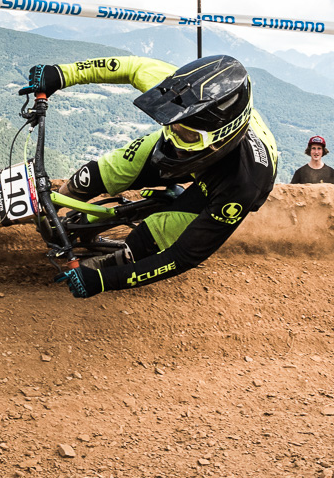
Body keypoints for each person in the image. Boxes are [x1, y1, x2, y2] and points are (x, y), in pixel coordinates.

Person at [23, 54, 278, 298]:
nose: (174, 136)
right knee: (93, 176)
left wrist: (102, 281)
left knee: (148, 241)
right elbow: (133, 68)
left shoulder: (243, 184)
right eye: (173, 125)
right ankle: (50, 208)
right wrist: (61, 74)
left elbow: (182, 256)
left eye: (186, 135)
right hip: (201, 154)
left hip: (220, 182)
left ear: (219, 138)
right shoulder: (186, 97)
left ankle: (114, 258)